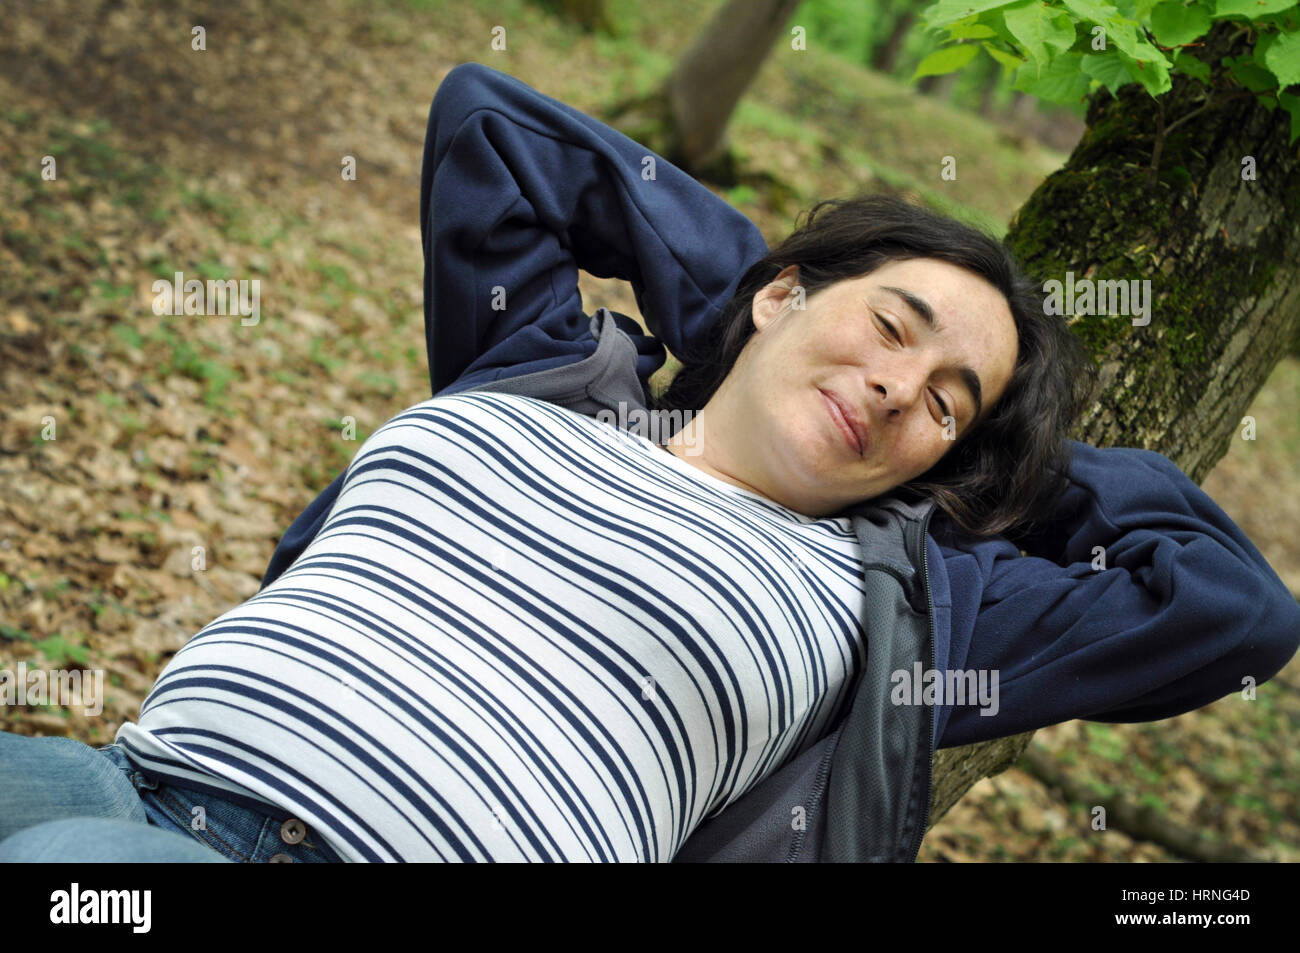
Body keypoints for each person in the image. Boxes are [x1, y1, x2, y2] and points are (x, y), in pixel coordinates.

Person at [3, 63, 1297, 863]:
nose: (904, 384)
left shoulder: (900, 602)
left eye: (947, 400)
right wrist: (744, 317)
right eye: (892, 326)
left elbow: (1229, 604)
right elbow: (489, 123)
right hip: (118, 771)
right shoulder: (543, 373)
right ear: (784, 289)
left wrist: (1009, 470)